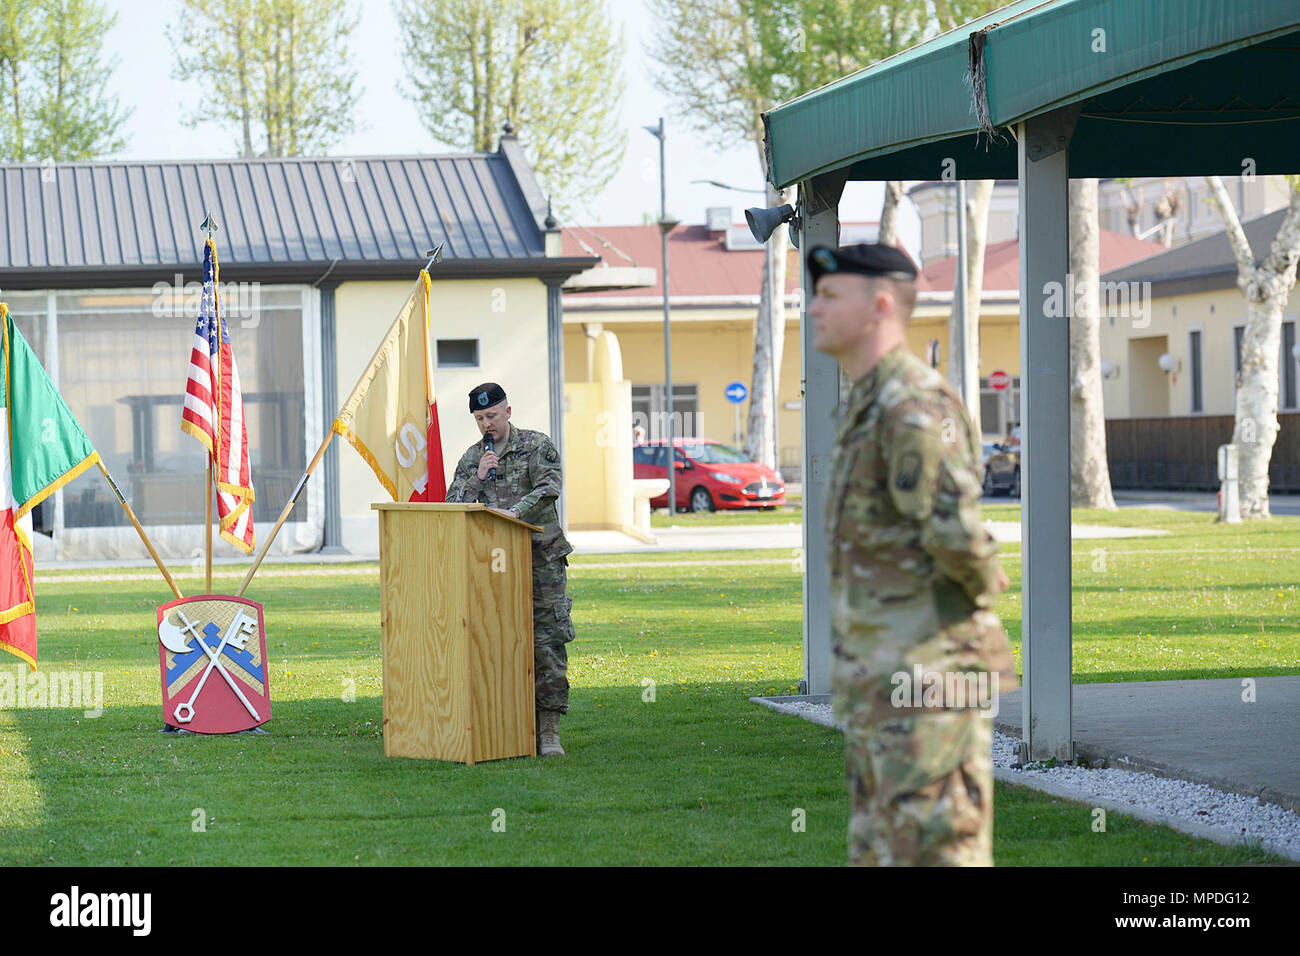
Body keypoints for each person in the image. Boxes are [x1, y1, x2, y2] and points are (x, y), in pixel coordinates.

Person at [809, 242, 1019, 866]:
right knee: (881, 850)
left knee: (936, 852)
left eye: (828, 295)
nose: (813, 308)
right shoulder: (868, 402)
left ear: (878, 305)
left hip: (930, 678)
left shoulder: (912, 404)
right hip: (883, 676)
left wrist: (981, 594)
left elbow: (957, 536)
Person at [445, 382, 575, 757]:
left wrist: (516, 512)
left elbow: (550, 487)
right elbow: (453, 503)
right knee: (495, 641)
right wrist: (479, 477)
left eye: (492, 416)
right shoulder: (472, 459)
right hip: (491, 566)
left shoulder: (536, 445)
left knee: (545, 639)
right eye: (480, 418)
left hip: (540, 560)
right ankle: (505, 725)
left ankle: (548, 730)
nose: (487, 424)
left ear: (508, 412)